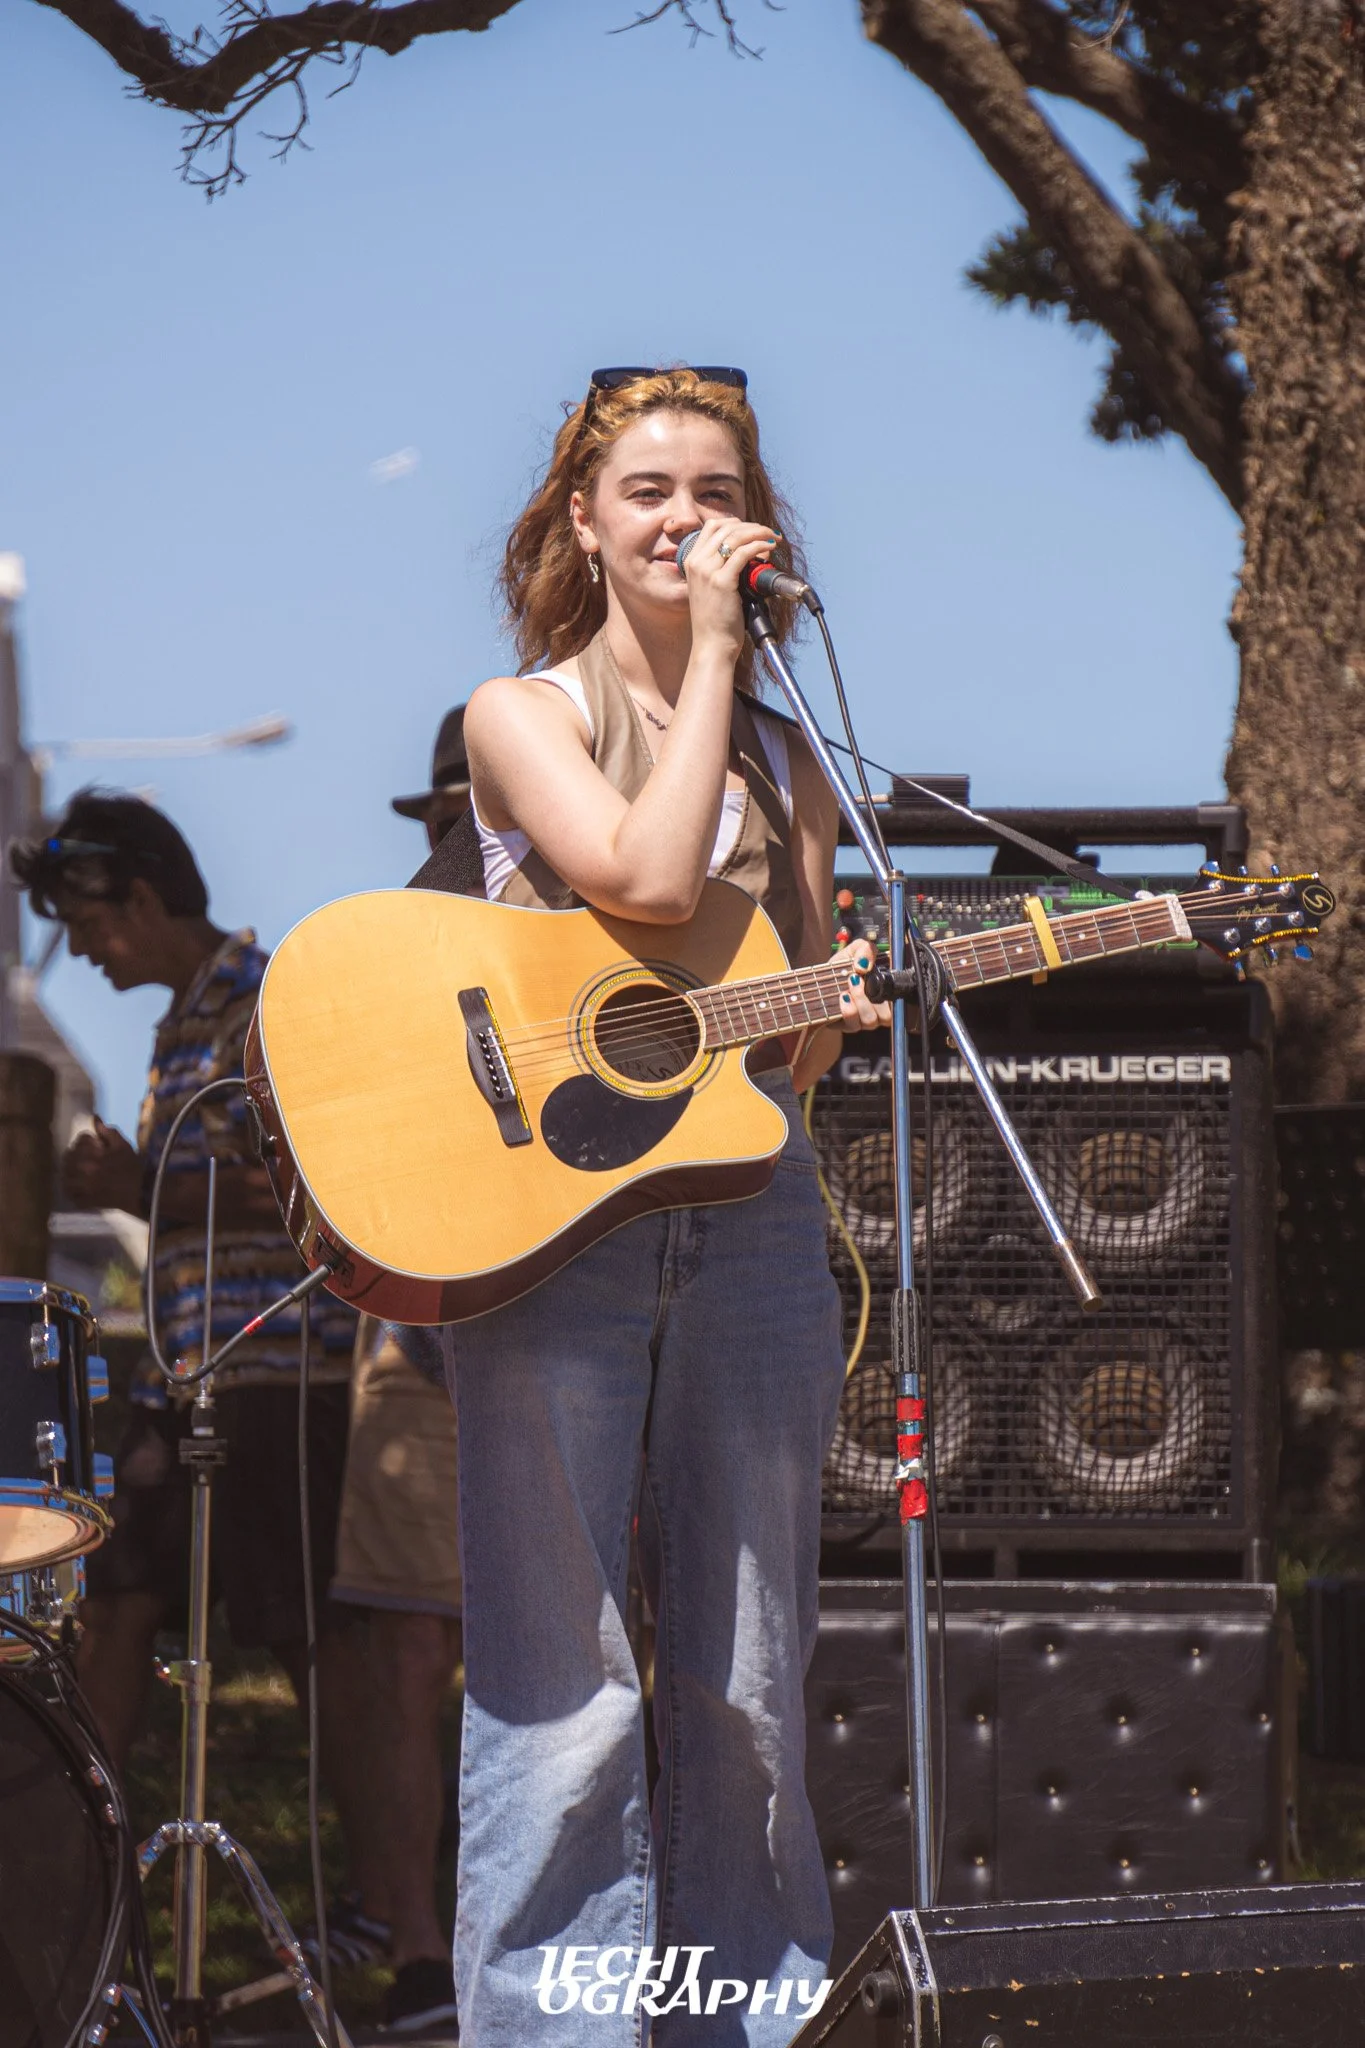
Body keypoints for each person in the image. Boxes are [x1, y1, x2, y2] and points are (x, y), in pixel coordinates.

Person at [447, 366, 887, 2044]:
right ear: (584, 520)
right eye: (650, 490)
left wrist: (829, 1018)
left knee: (747, 1666)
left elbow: (783, 1053)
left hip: (750, 1210)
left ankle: (748, 2019)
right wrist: (707, 650)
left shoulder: (788, 752)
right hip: (550, 1226)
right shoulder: (522, 713)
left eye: (718, 486)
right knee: (569, 1678)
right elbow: (637, 873)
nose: (687, 516)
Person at [6, 795, 372, 1862]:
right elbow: (199, 1209)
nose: (84, 953)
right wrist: (147, 1188)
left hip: (275, 1373)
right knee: (116, 1604)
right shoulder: (180, 1024)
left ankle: (389, 1908)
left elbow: (329, 1192)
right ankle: (84, 1887)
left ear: (148, 897)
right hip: (187, 1377)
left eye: (92, 927)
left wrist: (148, 1178)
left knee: (305, 1635)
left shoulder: (265, 1003)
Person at [321, 711, 471, 2035]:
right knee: (408, 1655)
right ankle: (420, 1953)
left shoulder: (597, 910)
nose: (455, 831)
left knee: (625, 1651)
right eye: (442, 812)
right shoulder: (390, 943)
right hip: (423, 1345)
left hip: (583, 1330)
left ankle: (604, 1943)